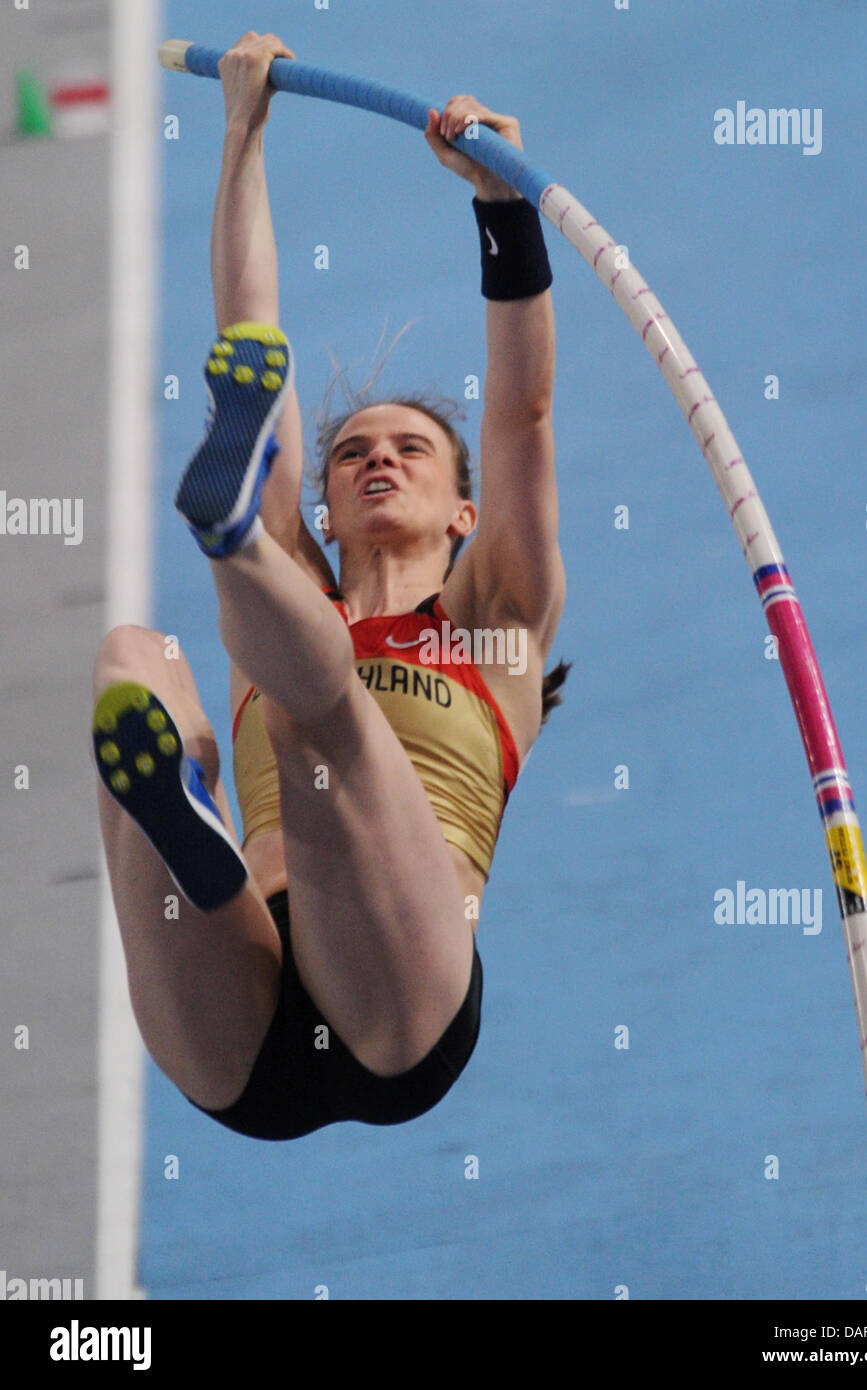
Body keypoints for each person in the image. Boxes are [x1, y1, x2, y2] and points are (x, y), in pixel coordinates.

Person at [92, 31, 567, 1141]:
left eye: (408, 449)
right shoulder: (301, 594)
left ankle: (225, 535)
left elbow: (523, 416)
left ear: (466, 513)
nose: (375, 461)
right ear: (324, 500)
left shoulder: (497, 622)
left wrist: (504, 210)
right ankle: (187, 831)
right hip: (237, 1000)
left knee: (318, 712)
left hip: (400, 1004)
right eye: (350, 452)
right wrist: (241, 132)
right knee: (134, 655)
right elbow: (246, 330)